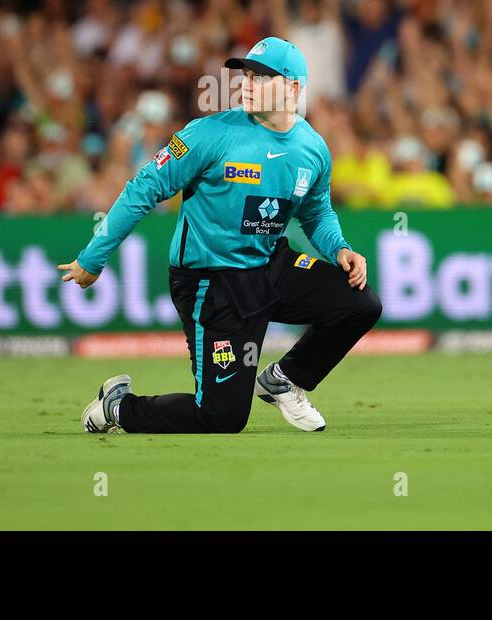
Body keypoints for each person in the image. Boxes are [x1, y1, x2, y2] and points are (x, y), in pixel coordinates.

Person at [59, 37, 381, 434]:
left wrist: (341, 248)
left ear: (294, 88)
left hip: (270, 266)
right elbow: (144, 188)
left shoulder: (312, 147)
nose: (247, 83)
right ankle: (118, 407)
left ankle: (286, 379)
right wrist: (93, 258)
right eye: (246, 75)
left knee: (360, 304)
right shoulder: (207, 134)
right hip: (212, 284)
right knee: (221, 418)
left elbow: (316, 212)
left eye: (262, 77)